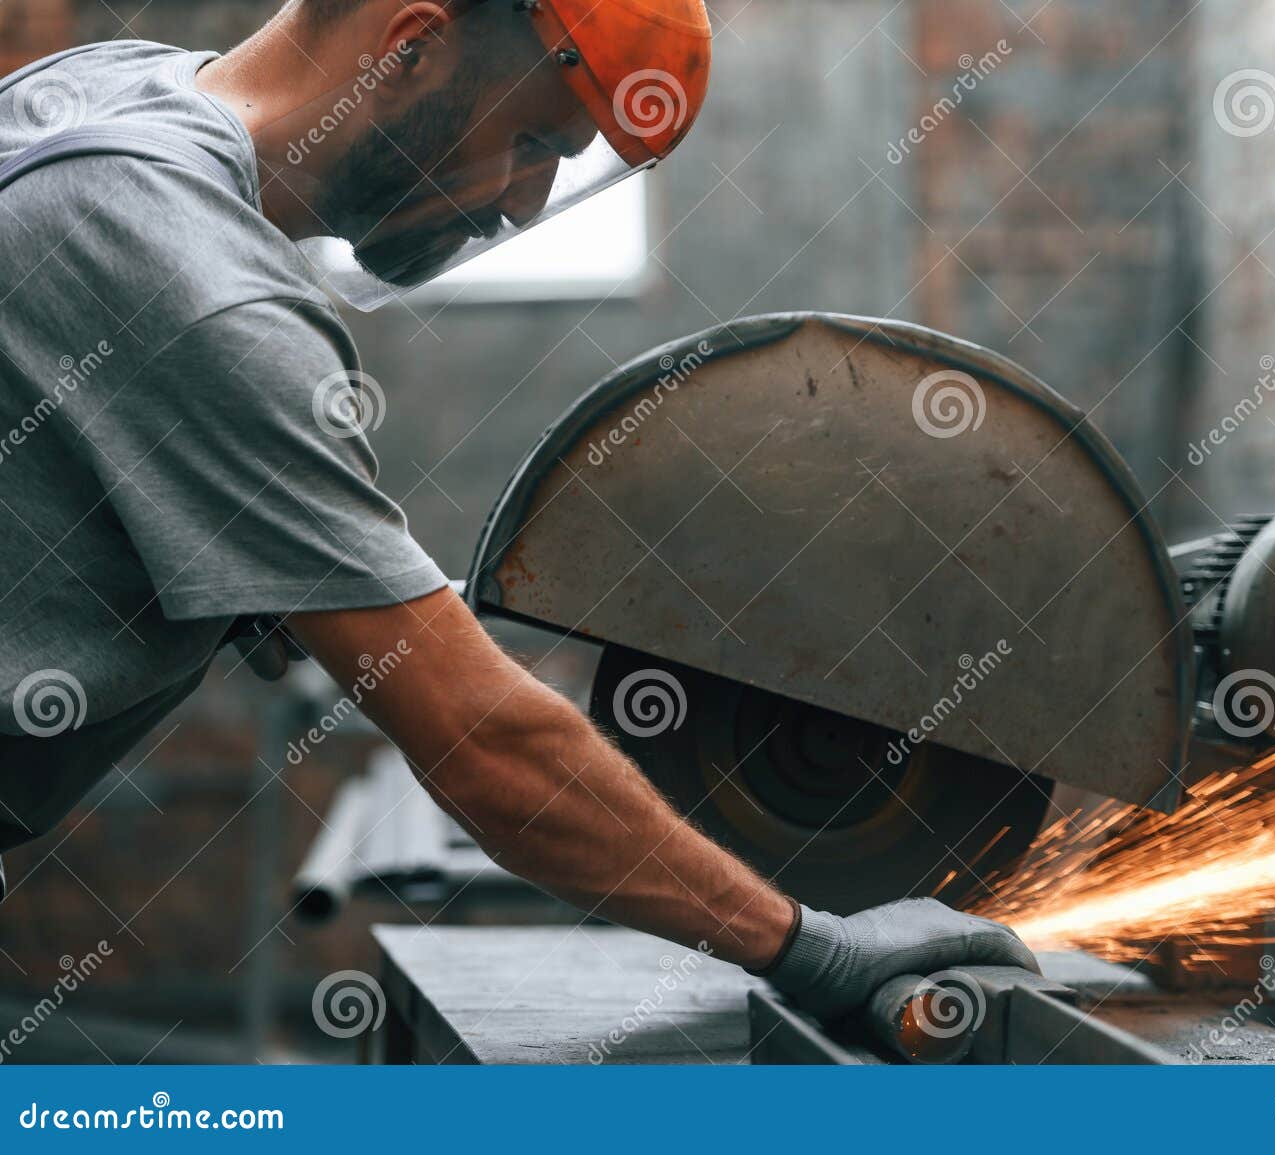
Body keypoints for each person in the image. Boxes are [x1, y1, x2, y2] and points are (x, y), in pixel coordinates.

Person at [0, 0, 1037, 1018]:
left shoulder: (104, 90)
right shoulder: (200, 288)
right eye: (533, 138)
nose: (525, 203)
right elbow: (483, 744)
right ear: (410, 43)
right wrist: (808, 945)